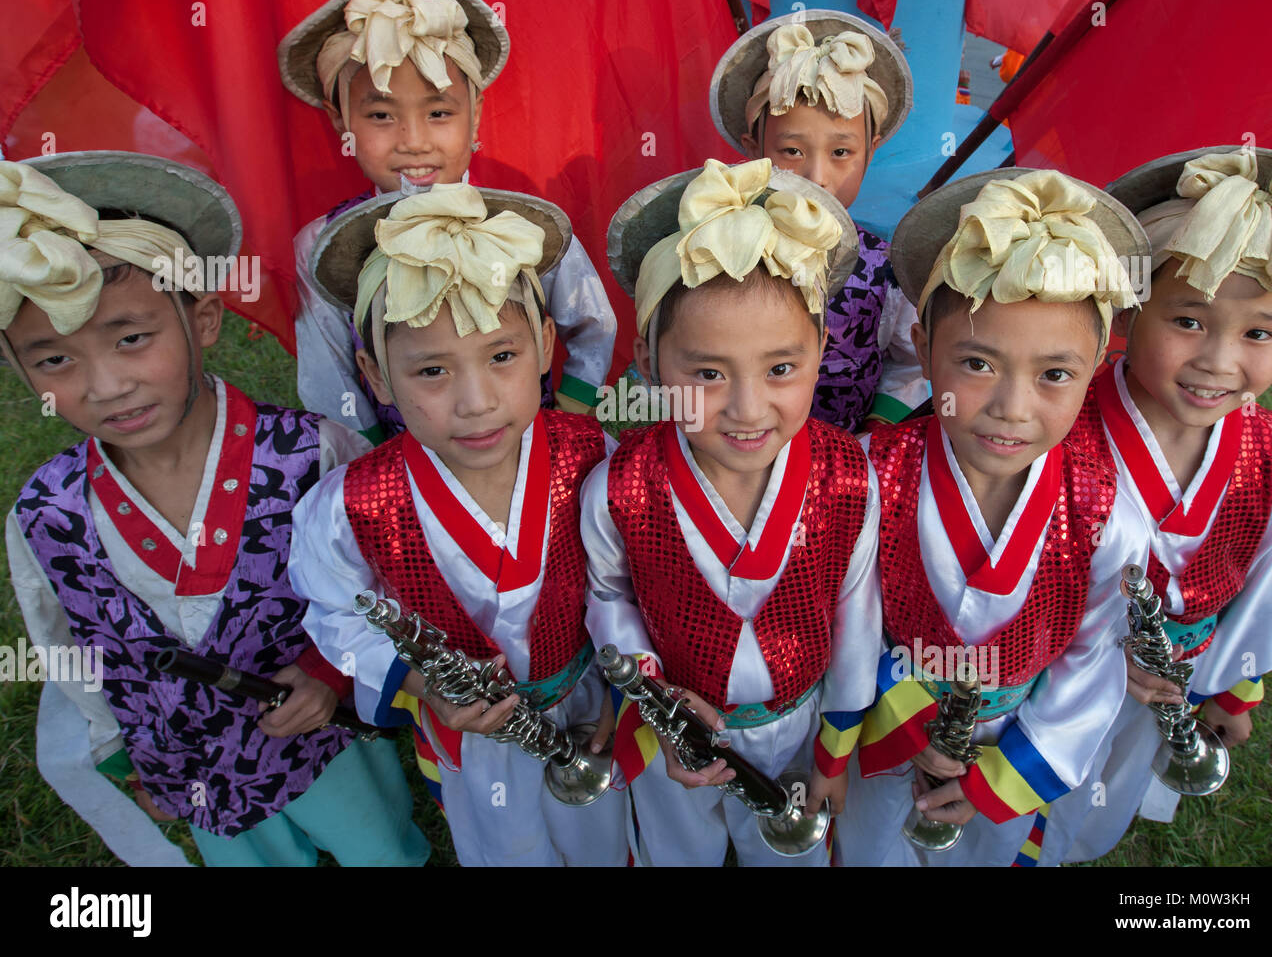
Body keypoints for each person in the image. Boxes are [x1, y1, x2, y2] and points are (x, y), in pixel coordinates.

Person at [3, 152, 427, 867]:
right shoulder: (45, 513)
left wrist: (331, 672)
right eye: (54, 360)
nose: (105, 384)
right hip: (189, 772)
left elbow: (393, 583)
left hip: (326, 744)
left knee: (378, 850)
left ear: (202, 318)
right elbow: (64, 645)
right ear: (18, 369)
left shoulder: (314, 455)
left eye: (131, 338)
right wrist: (115, 750)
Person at [287, 182, 629, 866]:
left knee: (602, 837)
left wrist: (625, 687)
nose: (475, 402)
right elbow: (333, 612)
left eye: (502, 356)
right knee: (504, 846)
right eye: (432, 370)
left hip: (589, 708)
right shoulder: (354, 505)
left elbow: (626, 581)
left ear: (544, 346)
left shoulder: (592, 458)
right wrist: (419, 685)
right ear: (376, 376)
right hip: (473, 734)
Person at [836, 166, 1151, 867]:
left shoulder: (1107, 516)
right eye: (977, 362)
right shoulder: (865, 475)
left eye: (1053, 374)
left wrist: (1006, 775)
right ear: (923, 349)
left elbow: (1091, 661)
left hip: (1009, 741)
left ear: (1098, 364)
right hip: (885, 732)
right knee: (870, 848)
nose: (1012, 406)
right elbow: (840, 618)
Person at [585, 158, 882, 866]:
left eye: (781, 368)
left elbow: (857, 621)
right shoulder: (621, 487)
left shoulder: (848, 479)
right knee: (675, 849)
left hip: (800, 731)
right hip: (677, 734)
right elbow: (608, 598)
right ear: (650, 365)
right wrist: (654, 692)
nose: (748, 409)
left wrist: (836, 751)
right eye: (708, 373)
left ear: (821, 352)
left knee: (789, 851)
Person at [1041, 145, 1272, 864]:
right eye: (1188, 320)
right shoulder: (1063, 431)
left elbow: (1271, 588)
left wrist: (1236, 687)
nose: (1219, 360)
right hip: (1054, 679)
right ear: (1129, 307)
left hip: (1172, 691)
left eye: (1259, 332)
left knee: (1106, 796)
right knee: (1026, 801)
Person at [278, 0, 617, 442]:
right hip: (405, 467)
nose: (414, 142)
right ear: (340, 117)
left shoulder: (522, 225)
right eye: (380, 115)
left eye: (439, 113)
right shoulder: (321, 245)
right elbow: (328, 373)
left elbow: (592, 321)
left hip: (528, 449)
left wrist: (570, 418)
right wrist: (378, 465)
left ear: (475, 111)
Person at [710, 9, 926, 431]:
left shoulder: (887, 272)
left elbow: (909, 364)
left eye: (841, 153)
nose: (817, 178)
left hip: (844, 467)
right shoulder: (717, 251)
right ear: (754, 148)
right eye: (792, 151)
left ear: (872, 150)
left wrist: (878, 426)